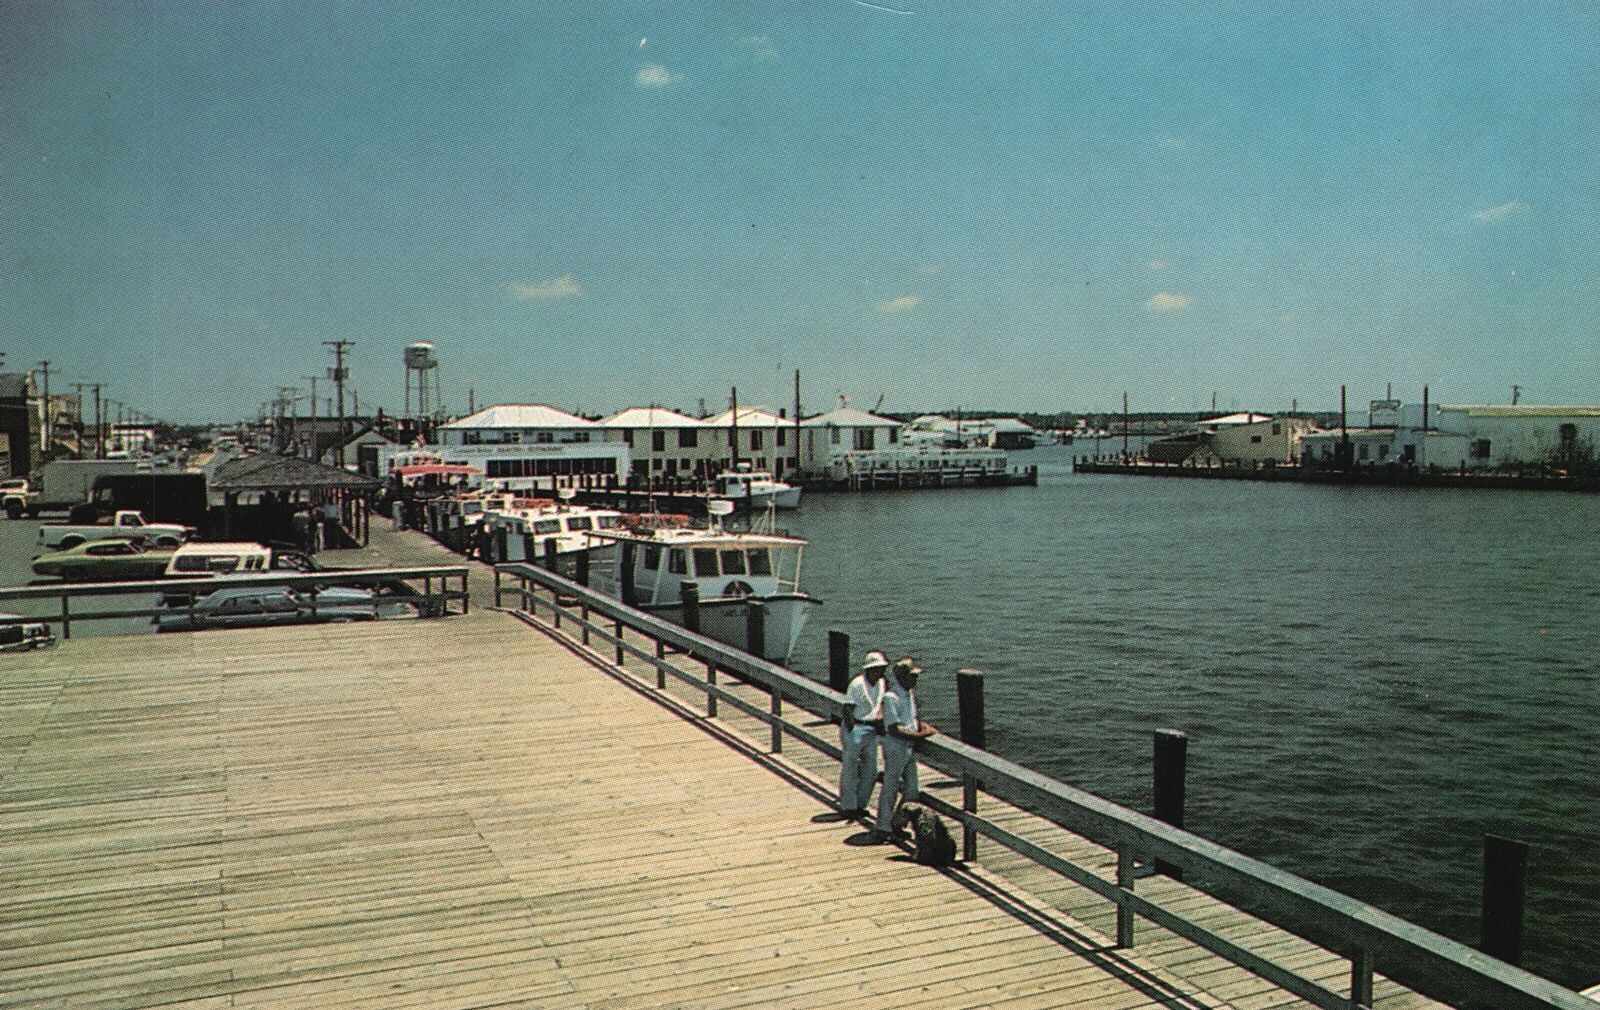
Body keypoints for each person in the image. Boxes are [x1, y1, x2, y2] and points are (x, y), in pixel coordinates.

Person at [873, 657, 938, 842]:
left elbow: (912, 720)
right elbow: (894, 729)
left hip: (908, 748)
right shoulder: (890, 698)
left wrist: (923, 727)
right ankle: (883, 826)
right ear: (902, 677)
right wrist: (922, 736)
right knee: (890, 787)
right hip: (896, 748)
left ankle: (897, 822)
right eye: (912, 676)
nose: (915, 679)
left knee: (912, 790)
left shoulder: (908, 694)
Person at [838, 650, 889, 819]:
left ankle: (861, 804)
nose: (879, 671)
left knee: (872, 770)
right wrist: (852, 733)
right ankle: (848, 806)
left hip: (872, 729)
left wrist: (880, 720)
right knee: (850, 767)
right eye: (876, 668)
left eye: (881, 668)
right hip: (856, 727)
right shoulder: (857, 684)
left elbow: (880, 704)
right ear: (868, 669)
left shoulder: (882, 683)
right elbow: (847, 709)